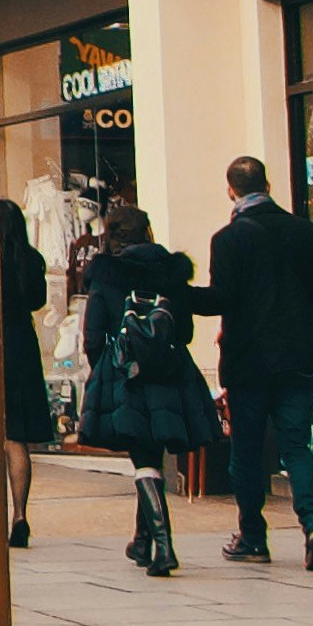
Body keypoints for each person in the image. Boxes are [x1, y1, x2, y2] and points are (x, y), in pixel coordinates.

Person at [198, 149, 313, 570]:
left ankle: (252, 537)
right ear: (267, 187)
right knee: (296, 447)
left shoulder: (227, 240)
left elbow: (222, 299)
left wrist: (178, 291)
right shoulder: (304, 233)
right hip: (298, 359)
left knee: (245, 451)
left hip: (249, 363)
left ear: (230, 191)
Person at [76, 197, 216, 577]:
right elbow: (184, 329)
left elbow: (93, 336)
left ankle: (165, 546)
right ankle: (142, 541)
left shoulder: (106, 275)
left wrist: (106, 369)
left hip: (126, 374)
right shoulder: (171, 272)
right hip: (171, 374)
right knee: (151, 455)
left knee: (142, 459)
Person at [0, 196, 58, 549]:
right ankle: (19, 514)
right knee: (16, 438)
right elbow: (37, 302)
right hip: (22, 345)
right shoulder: (31, 260)